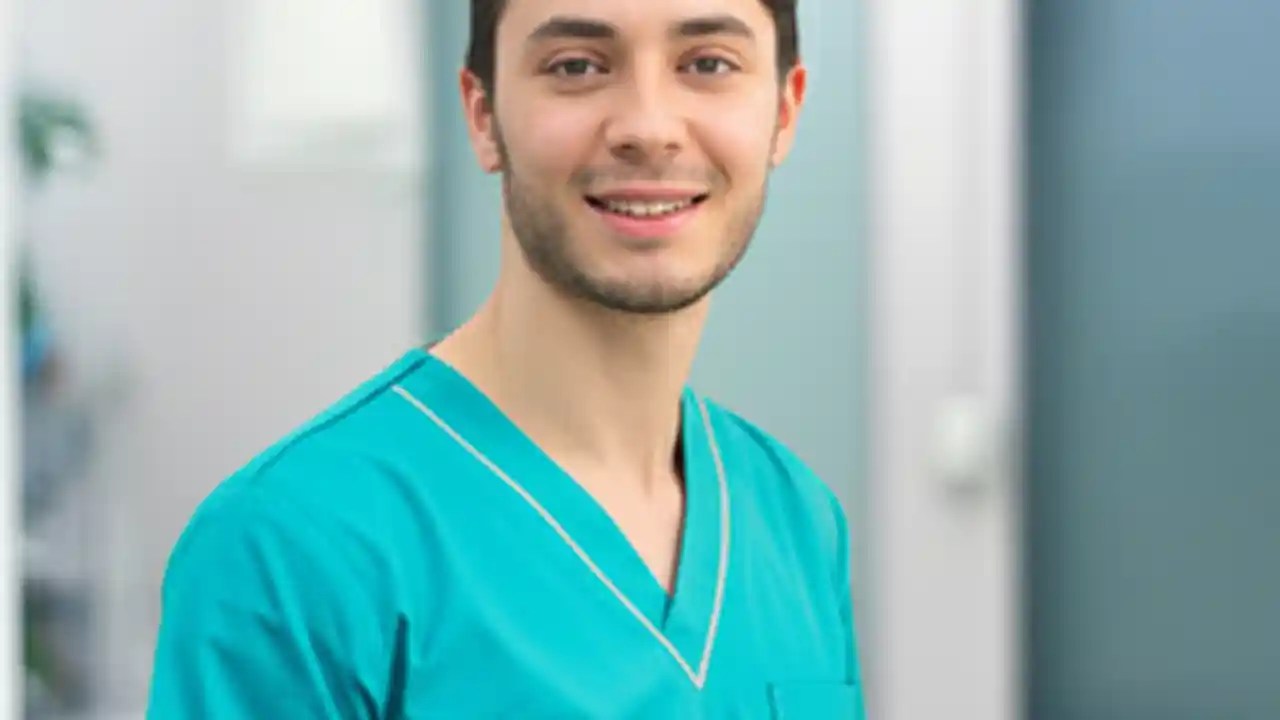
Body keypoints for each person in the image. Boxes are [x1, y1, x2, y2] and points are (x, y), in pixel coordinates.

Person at [147, 0, 866, 716]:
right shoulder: (292, 548)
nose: (648, 128)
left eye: (708, 64)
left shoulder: (799, 523)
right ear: (484, 115)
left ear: (784, 111)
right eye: (577, 66)